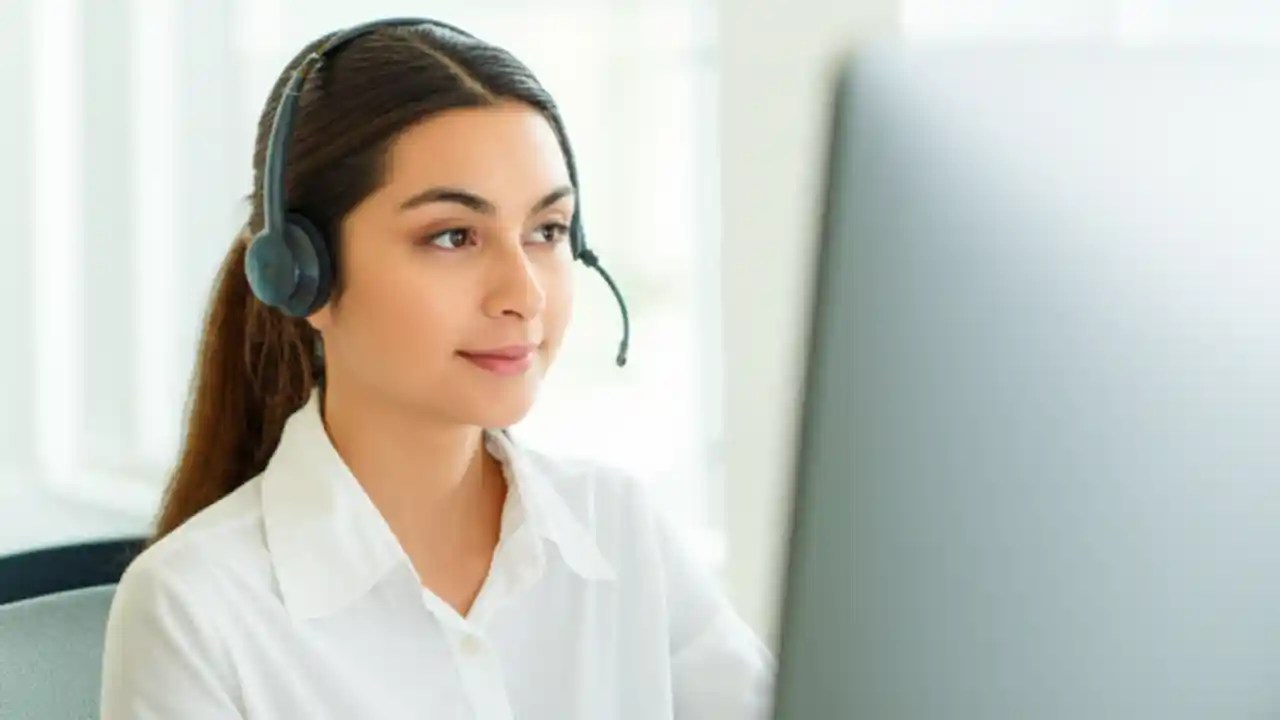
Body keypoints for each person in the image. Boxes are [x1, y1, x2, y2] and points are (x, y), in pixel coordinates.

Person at [98, 17, 774, 720]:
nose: (524, 295)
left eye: (547, 231)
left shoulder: (616, 528)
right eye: (453, 237)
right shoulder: (196, 607)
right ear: (302, 277)